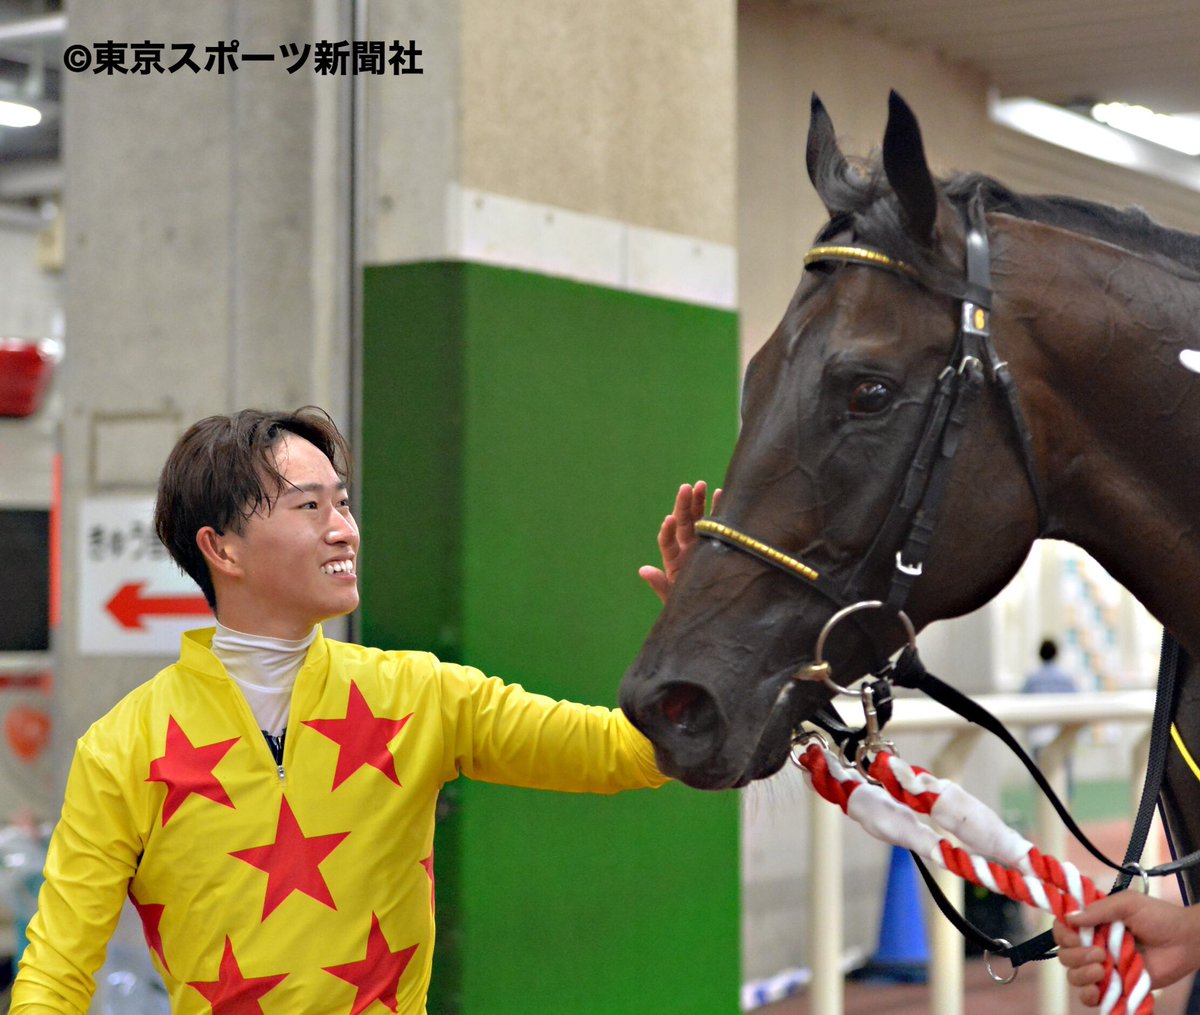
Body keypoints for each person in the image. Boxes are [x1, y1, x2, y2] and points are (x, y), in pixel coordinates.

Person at [11, 407, 710, 1014]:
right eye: (309, 507)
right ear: (221, 548)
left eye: (342, 504)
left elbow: (628, 752)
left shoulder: (422, 693)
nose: (344, 529)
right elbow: (57, 970)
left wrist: (703, 633)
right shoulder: (123, 747)